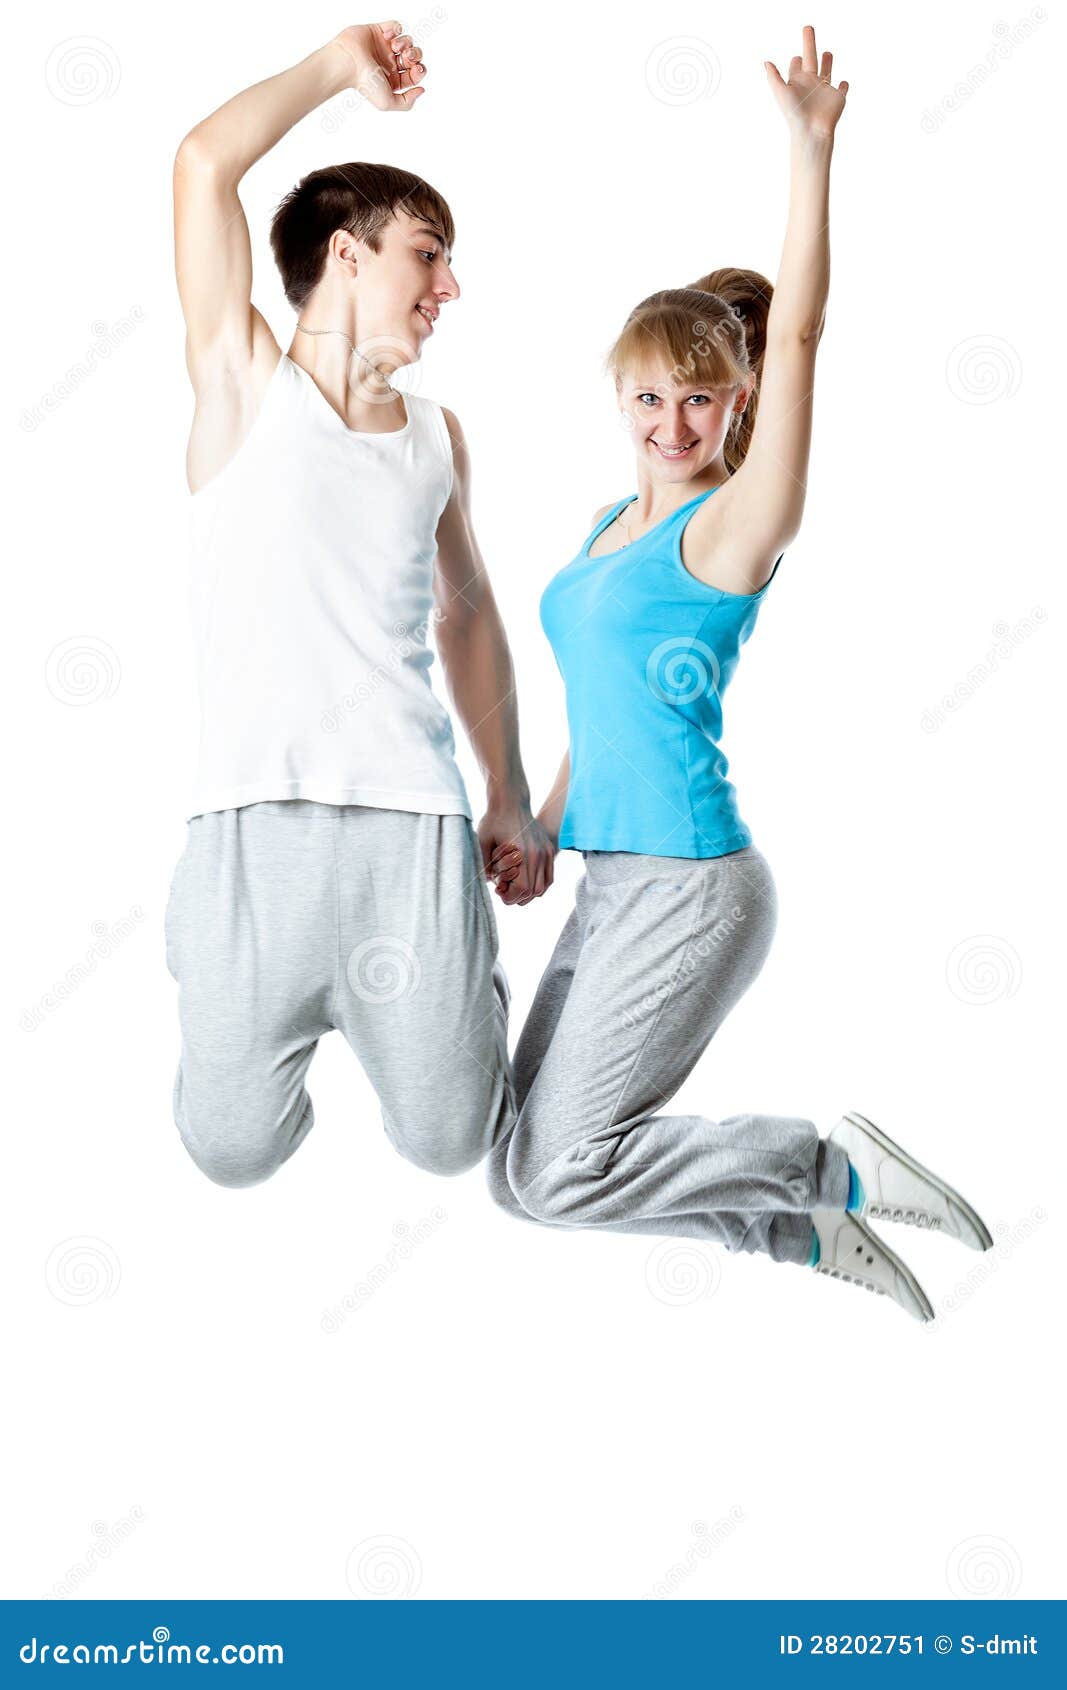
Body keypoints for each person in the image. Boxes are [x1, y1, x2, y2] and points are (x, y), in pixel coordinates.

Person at [484, 27, 991, 1323]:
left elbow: (802, 330)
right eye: (650, 398)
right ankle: (793, 1228)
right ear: (620, 393)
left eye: (700, 401)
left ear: (739, 402)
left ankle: (830, 1169)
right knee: (520, 1173)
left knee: (559, 1167)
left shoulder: (732, 527)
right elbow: (602, 709)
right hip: (611, 879)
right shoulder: (609, 526)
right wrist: (540, 822)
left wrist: (809, 153)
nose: (672, 424)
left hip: (692, 886)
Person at [165, 20, 552, 1189]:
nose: (449, 286)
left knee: (454, 1139)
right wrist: (339, 69)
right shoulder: (243, 383)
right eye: (427, 255)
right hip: (252, 825)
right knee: (229, 1147)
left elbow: (467, 616)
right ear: (345, 253)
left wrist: (507, 791)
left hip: (410, 825)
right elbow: (202, 163)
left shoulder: (437, 438)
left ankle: (461, 1016)